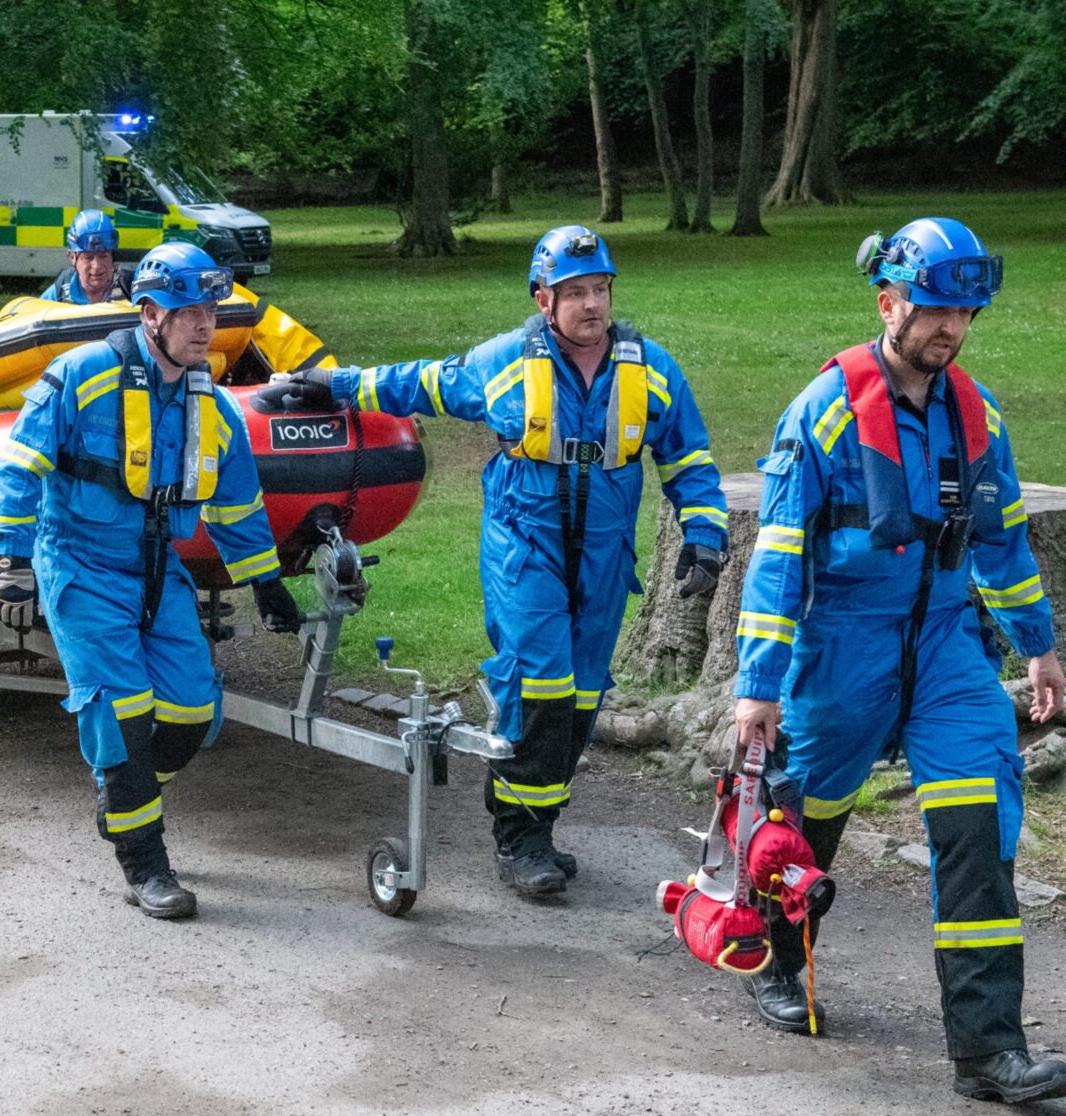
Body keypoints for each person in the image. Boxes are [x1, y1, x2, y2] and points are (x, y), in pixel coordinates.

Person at [268, 225, 727, 898]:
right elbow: (424, 383)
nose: (592, 305)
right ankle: (519, 840)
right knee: (539, 679)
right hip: (525, 541)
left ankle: (540, 820)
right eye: (575, 293)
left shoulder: (650, 368)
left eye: (600, 289)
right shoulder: (509, 361)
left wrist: (706, 532)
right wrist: (333, 385)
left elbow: (688, 456)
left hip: (604, 553)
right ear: (545, 300)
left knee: (583, 692)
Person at [733, 218, 1066, 1104]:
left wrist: (1038, 649)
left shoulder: (978, 417)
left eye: (964, 313)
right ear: (890, 303)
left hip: (947, 648)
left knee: (977, 830)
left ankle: (988, 1051)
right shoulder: (823, 414)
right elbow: (776, 557)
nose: (950, 329)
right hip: (842, 645)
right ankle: (776, 959)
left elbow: (1001, 544)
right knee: (811, 820)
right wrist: (757, 688)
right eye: (934, 310)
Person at [0, 241, 303, 920]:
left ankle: (124, 797)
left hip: (160, 573)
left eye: (211, 312)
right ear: (150, 313)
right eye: (190, 312)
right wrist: (12, 561)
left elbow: (237, 501)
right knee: (122, 711)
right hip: (81, 564)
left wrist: (266, 581)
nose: (206, 326)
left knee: (192, 711)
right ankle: (145, 862)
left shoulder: (208, 405)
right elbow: (18, 467)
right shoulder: (81, 376)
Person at [39, 209, 130, 305]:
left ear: (112, 256)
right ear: (72, 257)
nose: (97, 266)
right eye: (88, 258)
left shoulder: (129, 288)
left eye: (103, 256)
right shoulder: (60, 291)